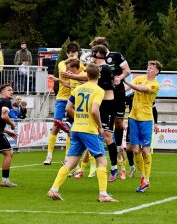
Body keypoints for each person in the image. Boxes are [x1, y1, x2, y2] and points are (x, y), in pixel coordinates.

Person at [47, 63, 117, 202]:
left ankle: (54, 189)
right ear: (99, 75)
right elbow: (94, 110)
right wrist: (99, 126)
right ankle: (103, 194)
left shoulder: (78, 89)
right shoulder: (98, 90)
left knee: (71, 162)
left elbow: (68, 108)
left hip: (77, 129)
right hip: (89, 130)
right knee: (102, 162)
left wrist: (78, 118)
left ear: (87, 75)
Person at [89, 37, 131, 181]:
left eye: (94, 50)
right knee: (97, 132)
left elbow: (127, 70)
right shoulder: (96, 64)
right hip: (100, 99)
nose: (93, 54)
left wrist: (119, 77)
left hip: (116, 96)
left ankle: (118, 153)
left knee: (116, 126)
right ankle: (89, 165)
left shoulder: (115, 57)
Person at [124, 60, 162, 193]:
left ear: (157, 71)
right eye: (148, 66)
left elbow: (140, 89)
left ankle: (146, 179)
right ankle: (143, 177)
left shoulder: (155, 85)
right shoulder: (138, 78)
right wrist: (117, 85)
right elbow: (127, 89)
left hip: (146, 119)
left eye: (152, 67)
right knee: (135, 150)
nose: (149, 69)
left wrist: (125, 81)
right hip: (133, 117)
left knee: (145, 150)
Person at [43, 42, 81, 165]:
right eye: (70, 55)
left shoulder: (82, 66)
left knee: (71, 129)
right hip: (61, 98)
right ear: (67, 54)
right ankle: (49, 156)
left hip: (74, 98)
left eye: (74, 56)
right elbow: (66, 71)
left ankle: (66, 158)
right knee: (56, 125)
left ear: (78, 54)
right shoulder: (62, 64)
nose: (72, 58)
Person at [91, 45, 119, 182]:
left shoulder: (104, 68)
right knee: (94, 134)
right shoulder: (100, 68)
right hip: (99, 104)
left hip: (107, 106)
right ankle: (91, 165)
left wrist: (72, 76)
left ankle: (114, 168)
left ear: (98, 55)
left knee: (108, 136)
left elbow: (88, 77)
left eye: (93, 54)